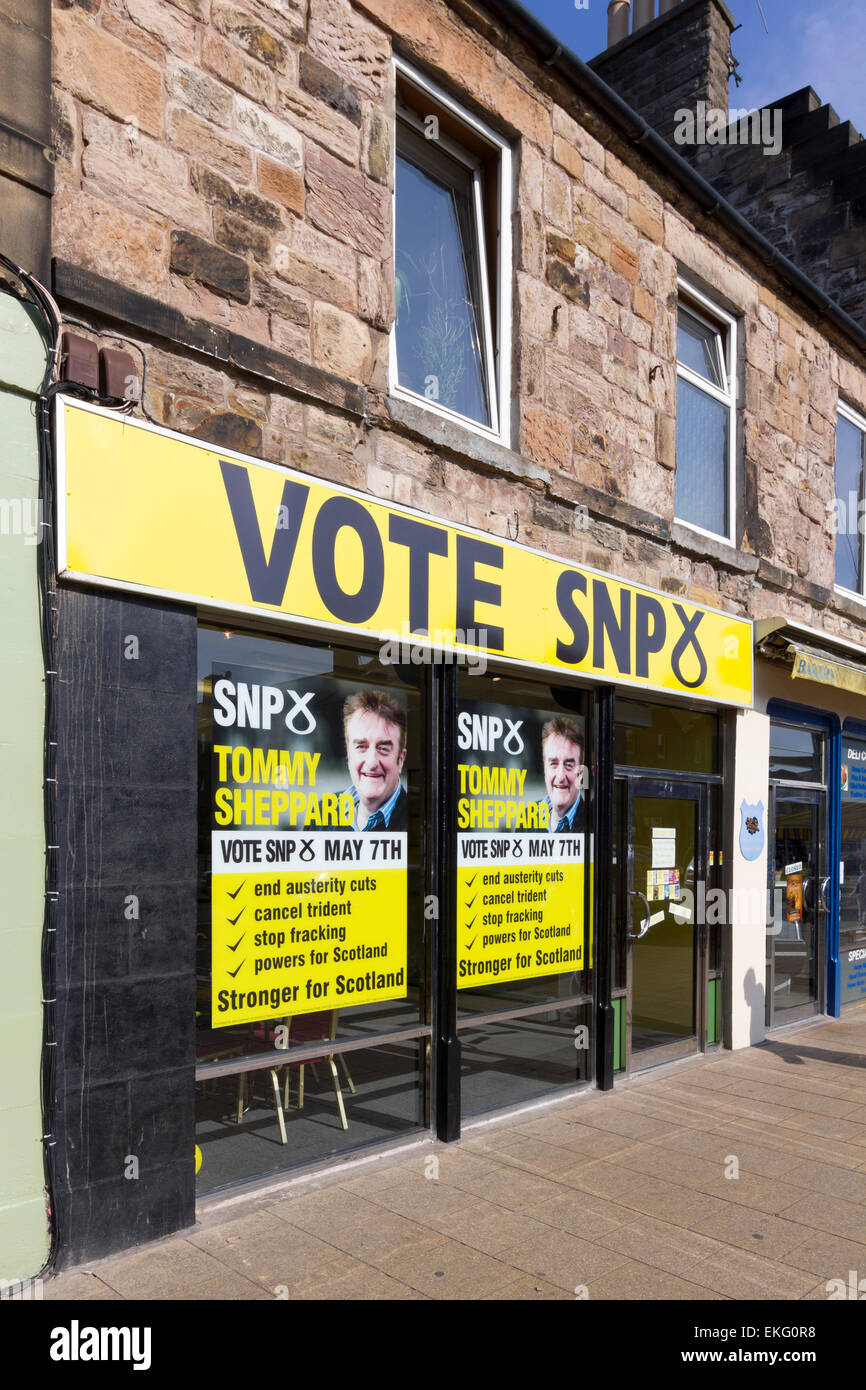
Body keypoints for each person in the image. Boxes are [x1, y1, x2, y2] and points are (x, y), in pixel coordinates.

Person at [342, 689, 408, 831]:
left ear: (401, 759)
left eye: (383, 748)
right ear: (348, 754)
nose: (371, 762)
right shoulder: (323, 813)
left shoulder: (422, 821)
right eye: (361, 747)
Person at [541, 716, 586, 833]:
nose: (560, 777)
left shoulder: (595, 824)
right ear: (545, 769)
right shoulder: (527, 817)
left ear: (580, 773)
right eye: (553, 764)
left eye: (569, 765)